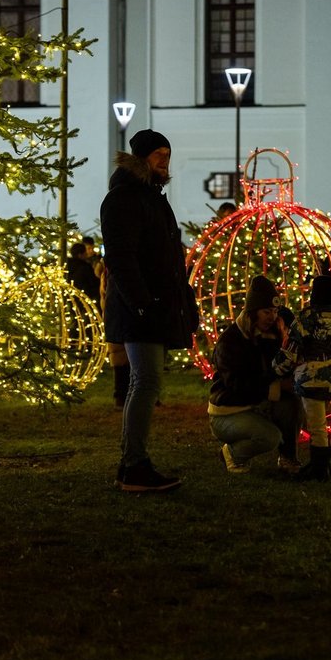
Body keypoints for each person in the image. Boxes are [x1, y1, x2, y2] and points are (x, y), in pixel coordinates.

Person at [101, 128, 200, 493]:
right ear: (141, 158)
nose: (165, 161)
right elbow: (122, 259)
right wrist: (143, 304)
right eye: (159, 155)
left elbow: (168, 260)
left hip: (153, 307)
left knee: (144, 384)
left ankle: (132, 464)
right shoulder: (124, 199)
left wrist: (181, 302)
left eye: (167, 155)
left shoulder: (153, 198)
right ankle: (133, 466)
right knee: (146, 383)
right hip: (139, 310)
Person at [208, 275, 302, 475]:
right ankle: (232, 453)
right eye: (266, 311)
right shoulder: (231, 340)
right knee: (270, 437)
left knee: (291, 404)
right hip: (229, 411)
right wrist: (276, 386)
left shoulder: (272, 335)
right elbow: (238, 384)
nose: (272, 317)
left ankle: (288, 458)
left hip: (256, 404)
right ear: (253, 312)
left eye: (275, 312)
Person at [273, 275, 331, 481]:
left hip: (310, 375)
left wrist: (277, 368)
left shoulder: (307, 318)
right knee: (320, 420)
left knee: (316, 425)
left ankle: (319, 468)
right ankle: (321, 464)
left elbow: (292, 348)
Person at [64, 240, 101, 307]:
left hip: (71, 300)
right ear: (80, 255)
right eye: (85, 253)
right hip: (86, 302)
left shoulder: (67, 267)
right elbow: (94, 283)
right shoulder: (84, 267)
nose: (86, 255)